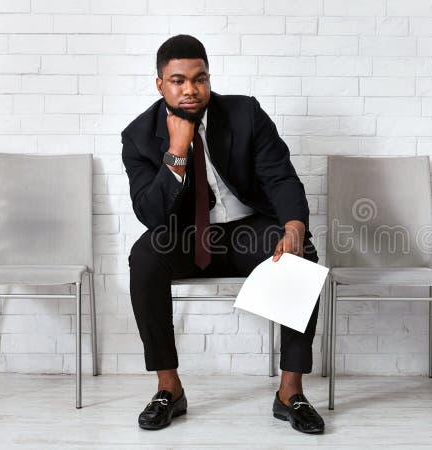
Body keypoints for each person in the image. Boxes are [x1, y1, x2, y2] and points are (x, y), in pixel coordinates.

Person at [121, 34, 325, 434]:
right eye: (178, 80)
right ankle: (169, 389)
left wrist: (294, 227)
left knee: (302, 256)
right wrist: (176, 153)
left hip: (248, 230)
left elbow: (280, 176)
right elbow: (150, 213)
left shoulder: (245, 114)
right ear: (160, 84)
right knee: (144, 257)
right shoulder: (139, 136)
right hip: (182, 235)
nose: (191, 89)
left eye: (199, 78)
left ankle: (290, 393)